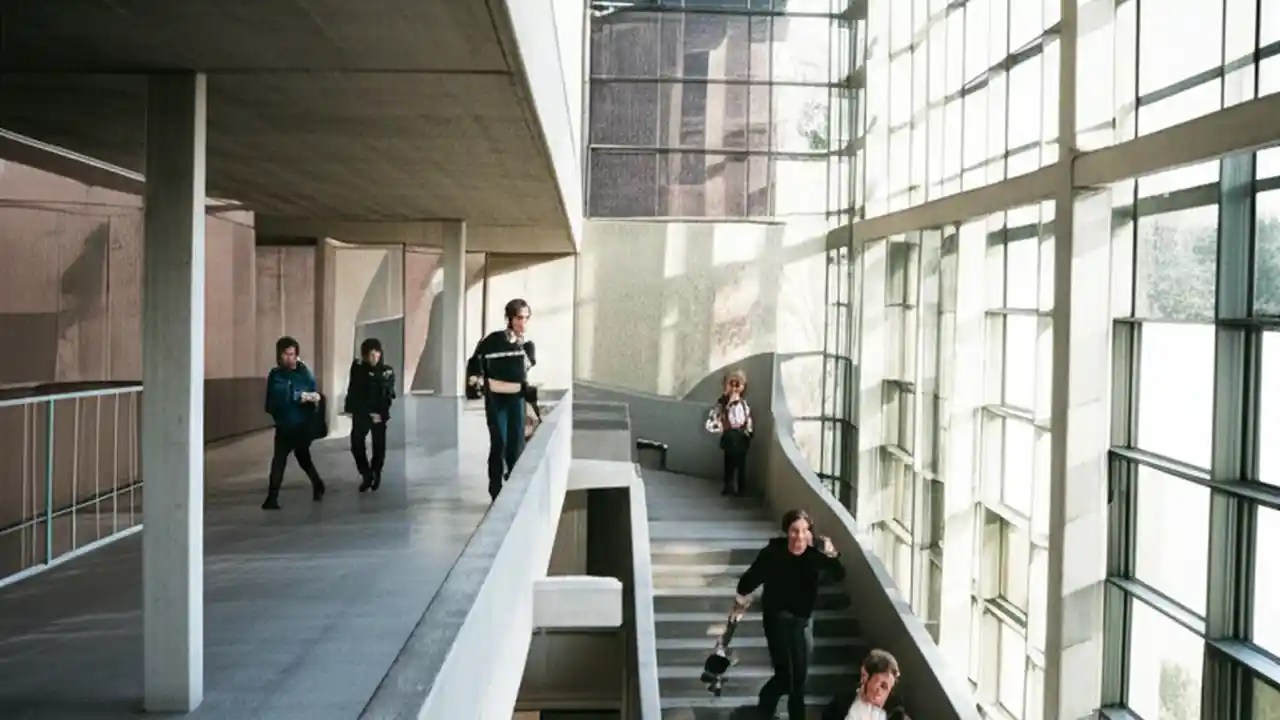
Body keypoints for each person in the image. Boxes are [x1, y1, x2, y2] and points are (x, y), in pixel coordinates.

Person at [734, 509, 846, 720]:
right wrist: (740, 600)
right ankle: (765, 708)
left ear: (810, 533)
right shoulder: (773, 552)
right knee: (787, 677)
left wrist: (832, 554)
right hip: (777, 620)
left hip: (802, 623)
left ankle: (776, 711)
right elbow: (749, 580)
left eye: (804, 531)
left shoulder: (815, 556)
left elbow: (839, 575)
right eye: (795, 531)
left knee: (799, 682)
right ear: (787, 532)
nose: (799, 537)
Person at [466, 298, 536, 501]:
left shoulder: (527, 346)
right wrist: (476, 381)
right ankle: (495, 488)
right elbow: (476, 363)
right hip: (496, 399)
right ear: (509, 318)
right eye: (518, 318)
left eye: (525, 318)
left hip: (516, 399)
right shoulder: (492, 341)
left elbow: (524, 367)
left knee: (516, 443)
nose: (522, 323)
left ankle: (514, 484)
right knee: (499, 442)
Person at [262, 336, 326, 510]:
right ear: (279, 356)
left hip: (301, 425)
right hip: (284, 426)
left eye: (292, 354)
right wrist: (300, 396)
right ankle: (272, 497)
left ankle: (317, 484)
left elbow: (312, 389)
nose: (289, 358)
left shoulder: (304, 372)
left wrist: (310, 397)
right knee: (280, 461)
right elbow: (278, 394)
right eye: (285, 354)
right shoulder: (276, 375)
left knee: (301, 457)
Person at [344, 337, 396, 493]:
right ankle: (366, 473)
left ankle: (376, 472)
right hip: (362, 413)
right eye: (369, 355)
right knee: (356, 443)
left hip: (379, 413)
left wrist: (379, 413)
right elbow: (355, 392)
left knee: (379, 446)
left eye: (376, 355)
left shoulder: (387, 371)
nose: (373, 359)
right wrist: (363, 413)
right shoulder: (358, 369)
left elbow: (388, 396)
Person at [704, 369, 753, 496]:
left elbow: (746, 418)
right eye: (732, 384)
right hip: (730, 435)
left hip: (740, 435)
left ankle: (741, 488)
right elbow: (715, 418)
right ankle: (729, 485)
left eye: (738, 385)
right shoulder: (722, 402)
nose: (734, 388)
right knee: (729, 462)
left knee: (740, 464)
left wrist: (749, 431)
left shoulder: (743, 403)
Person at [821, 649, 909, 720]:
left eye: (888, 689)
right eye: (882, 686)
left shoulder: (896, 713)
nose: (884, 694)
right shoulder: (839, 706)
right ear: (865, 677)